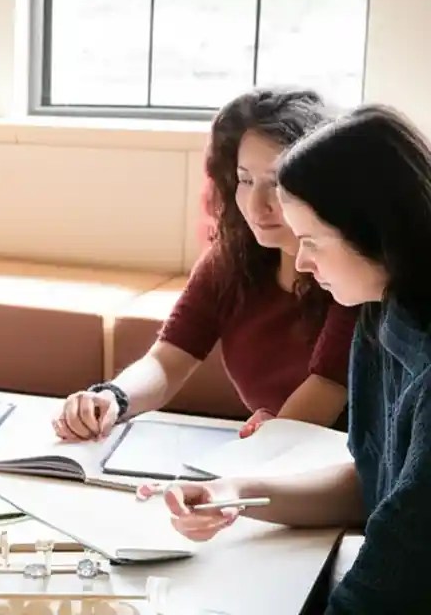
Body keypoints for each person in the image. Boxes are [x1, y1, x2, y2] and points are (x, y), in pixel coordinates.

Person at [163, 104, 431, 613]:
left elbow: (401, 567)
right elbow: (374, 483)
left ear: (376, 233)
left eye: (311, 241)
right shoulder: (380, 315)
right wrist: (237, 492)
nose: (302, 261)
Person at [53, 87, 357, 442]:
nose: (256, 205)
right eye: (245, 180)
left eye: (277, 183)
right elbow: (168, 359)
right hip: (273, 457)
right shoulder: (233, 259)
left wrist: (256, 454)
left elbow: (323, 392)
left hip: (344, 467)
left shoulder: (349, 274)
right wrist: (113, 398)